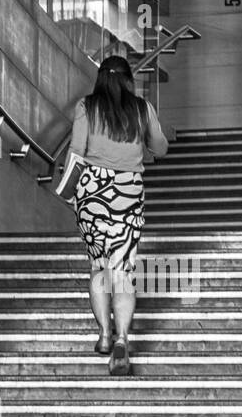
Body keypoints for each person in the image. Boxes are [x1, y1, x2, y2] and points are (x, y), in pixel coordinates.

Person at [69, 55, 169, 377]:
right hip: (128, 192)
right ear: (128, 80)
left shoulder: (86, 107)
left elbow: (76, 151)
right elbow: (160, 148)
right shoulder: (142, 109)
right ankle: (123, 338)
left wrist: (72, 191)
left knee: (98, 267)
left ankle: (104, 334)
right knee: (122, 271)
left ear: (100, 78)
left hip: (92, 191)